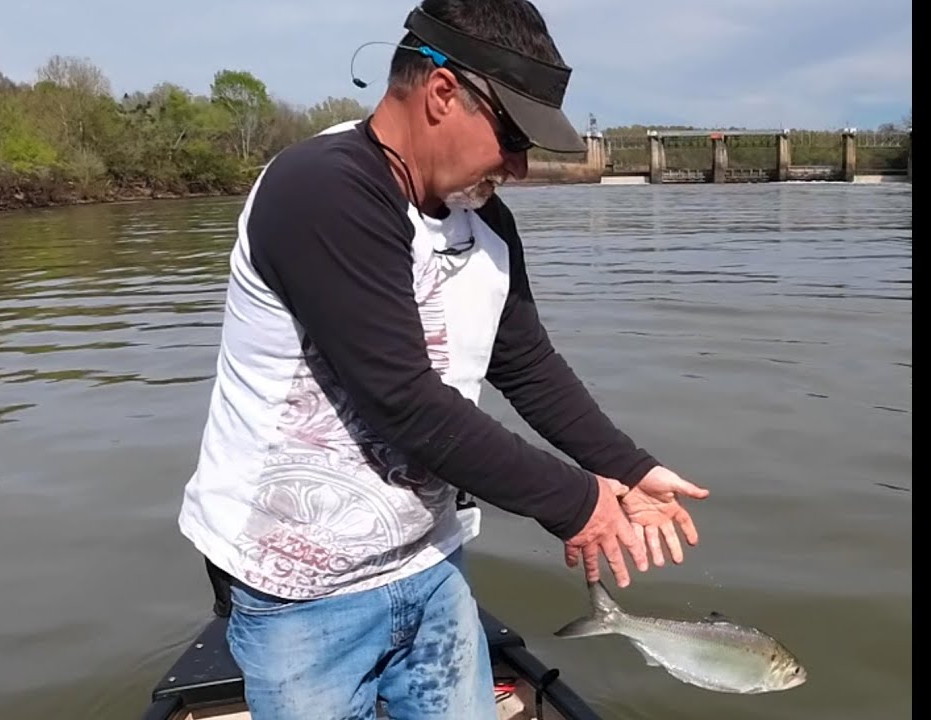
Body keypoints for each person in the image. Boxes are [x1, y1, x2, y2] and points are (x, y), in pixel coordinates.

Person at [177, 1, 709, 717]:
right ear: (442, 93)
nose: (519, 166)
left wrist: (628, 466)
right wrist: (578, 504)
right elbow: (405, 402)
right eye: (513, 136)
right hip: (299, 590)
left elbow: (525, 364)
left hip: (430, 560)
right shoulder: (323, 190)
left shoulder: (484, 220)